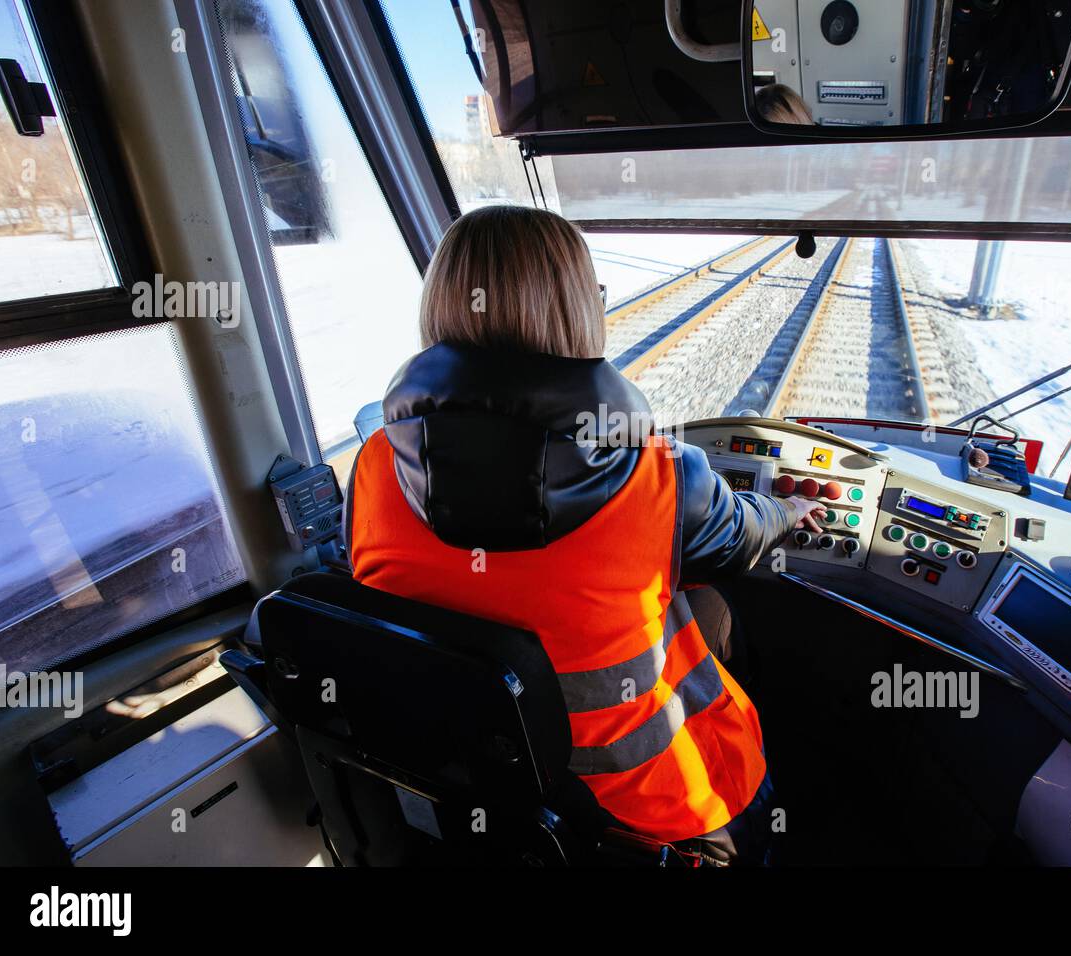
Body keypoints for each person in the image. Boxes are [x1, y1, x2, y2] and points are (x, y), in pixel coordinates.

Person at [344, 205, 825, 864]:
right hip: (662, 823)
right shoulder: (660, 475)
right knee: (715, 612)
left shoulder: (373, 468)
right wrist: (787, 515)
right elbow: (741, 541)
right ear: (578, 307)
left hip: (489, 798)